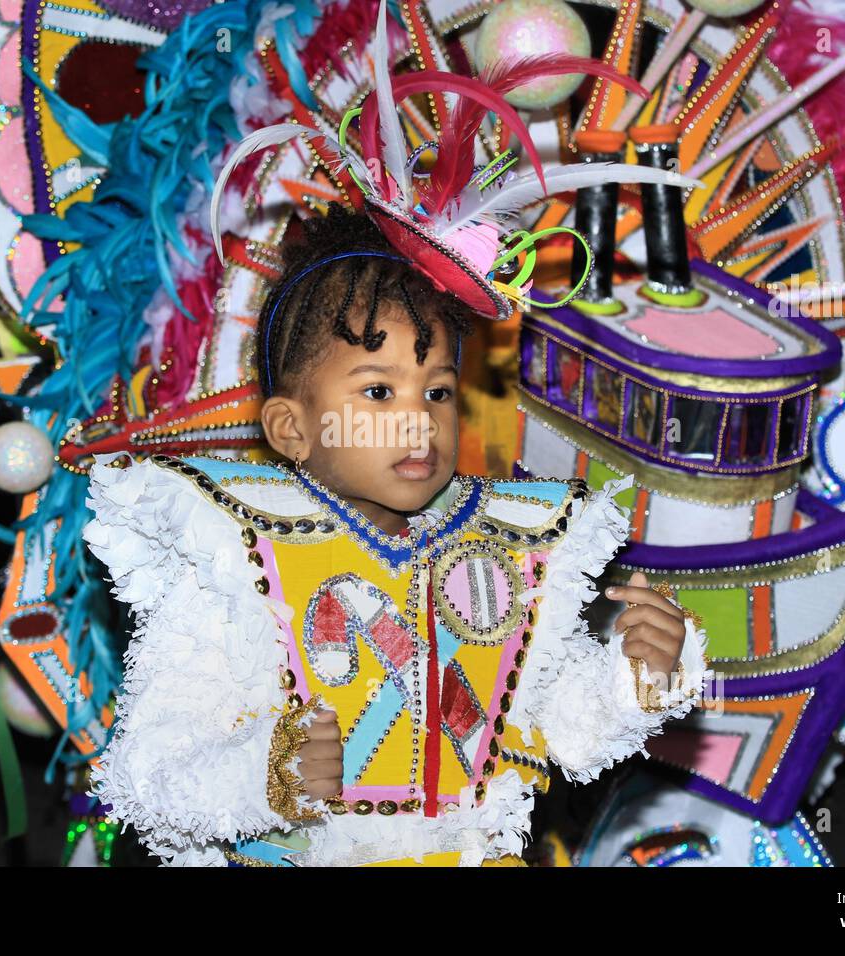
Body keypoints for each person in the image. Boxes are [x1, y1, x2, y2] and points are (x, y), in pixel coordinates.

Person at [82, 207, 710, 866]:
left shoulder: (504, 545)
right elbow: (146, 777)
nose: (416, 420)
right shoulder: (233, 560)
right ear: (291, 427)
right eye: (379, 391)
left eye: (437, 392)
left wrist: (640, 674)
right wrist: (266, 772)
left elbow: (563, 729)